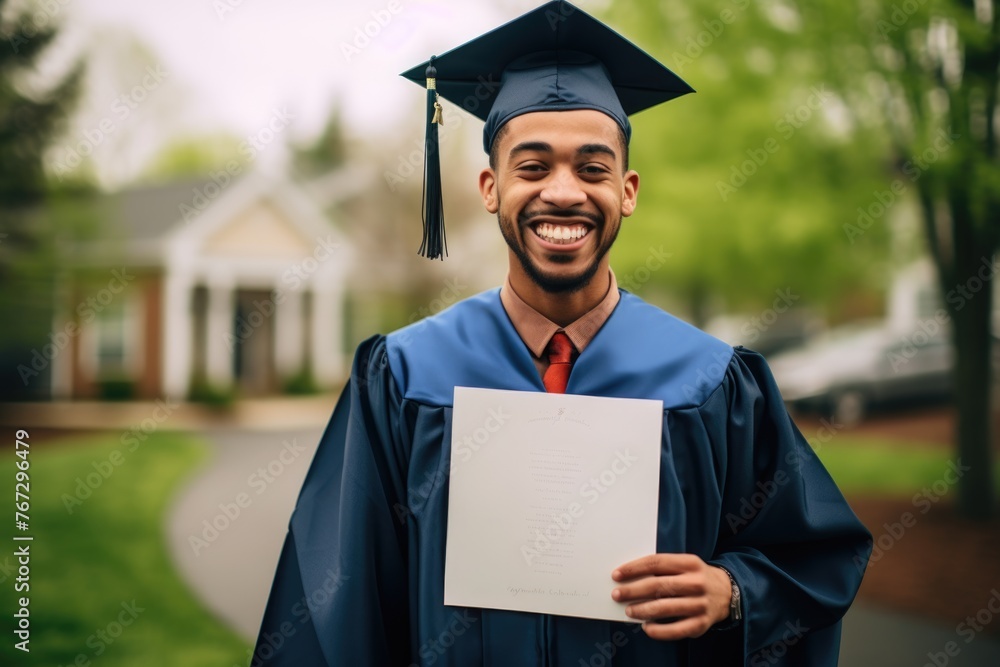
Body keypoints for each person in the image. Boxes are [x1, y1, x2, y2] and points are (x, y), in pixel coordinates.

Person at [252, 2, 872, 665]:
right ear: (490, 187)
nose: (564, 192)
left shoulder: (712, 384)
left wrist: (735, 590)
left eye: (593, 168)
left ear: (628, 191)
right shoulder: (406, 378)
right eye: (534, 166)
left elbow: (814, 556)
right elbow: (337, 596)